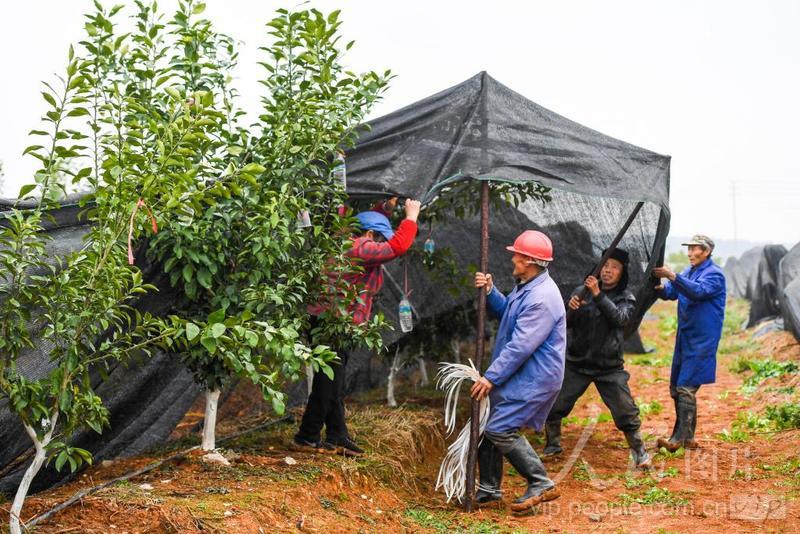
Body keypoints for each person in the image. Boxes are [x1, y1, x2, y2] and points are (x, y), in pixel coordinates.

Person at [294, 198, 420, 456]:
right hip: (332, 321)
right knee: (328, 381)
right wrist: (411, 217)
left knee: (333, 380)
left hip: (334, 321)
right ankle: (307, 435)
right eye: (379, 238)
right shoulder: (358, 246)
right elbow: (398, 246)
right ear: (369, 234)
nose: (381, 244)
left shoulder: (350, 242)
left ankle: (337, 434)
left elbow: (372, 221)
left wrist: (386, 207)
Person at [471, 230, 566, 514]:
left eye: (517, 255)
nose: (513, 259)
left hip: (534, 378)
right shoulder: (528, 286)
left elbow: (521, 346)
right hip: (522, 374)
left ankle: (540, 482)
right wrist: (491, 292)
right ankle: (489, 489)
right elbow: (509, 314)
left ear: (530, 261)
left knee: (499, 428)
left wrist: (491, 377)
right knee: (488, 426)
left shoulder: (541, 298)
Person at [543, 248, 651, 469]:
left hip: (608, 367)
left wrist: (598, 294)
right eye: (606, 265)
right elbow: (565, 323)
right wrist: (571, 308)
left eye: (615, 267)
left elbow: (620, 319)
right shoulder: (581, 291)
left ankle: (640, 452)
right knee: (555, 404)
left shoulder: (626, 298)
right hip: (577, 363)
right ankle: (552, 445)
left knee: (625, 411)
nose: (608, 270)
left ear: (622, 273)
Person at [653, 234, 726, 451]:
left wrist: (672, 275)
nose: (690, 253)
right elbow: (672, 292)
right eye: (689, 249)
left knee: (686, 387)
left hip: (702, 340)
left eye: (694, 249)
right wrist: (658, 288)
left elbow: (697, 292)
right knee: (677, 386)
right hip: (685, 337)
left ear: (706, 251)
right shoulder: (689, 272)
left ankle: (678, 439)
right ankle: (688, 438)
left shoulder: (714, 275)